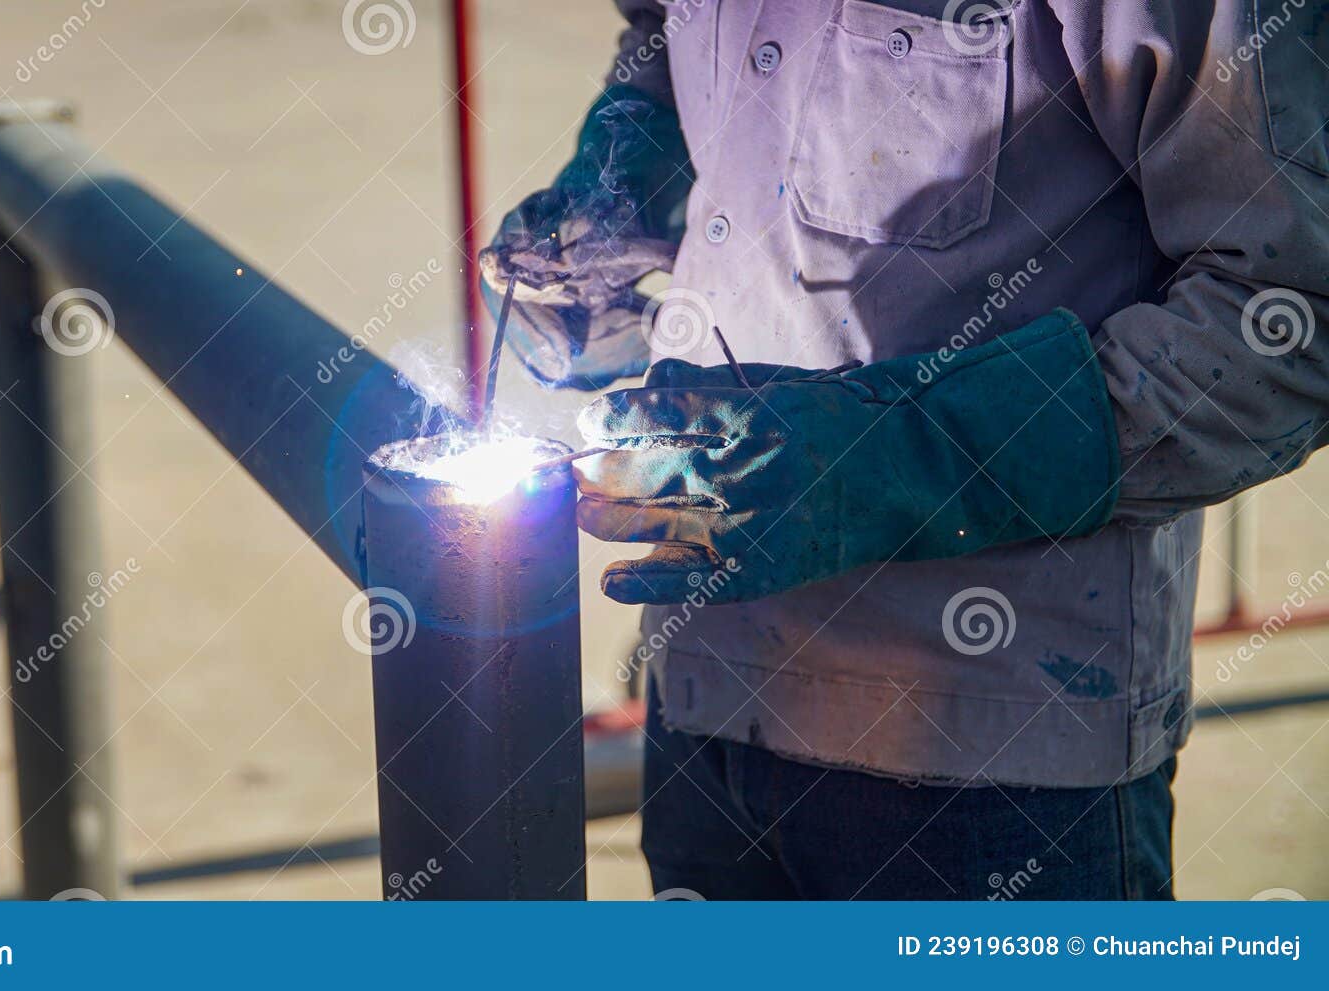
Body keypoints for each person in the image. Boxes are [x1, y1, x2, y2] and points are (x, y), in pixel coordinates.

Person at [481, 0, 1329, 899]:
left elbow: (1290, 314)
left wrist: (886, 459)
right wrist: (628, 169)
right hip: (706, 705)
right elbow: (667, 37)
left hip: (992, 767)